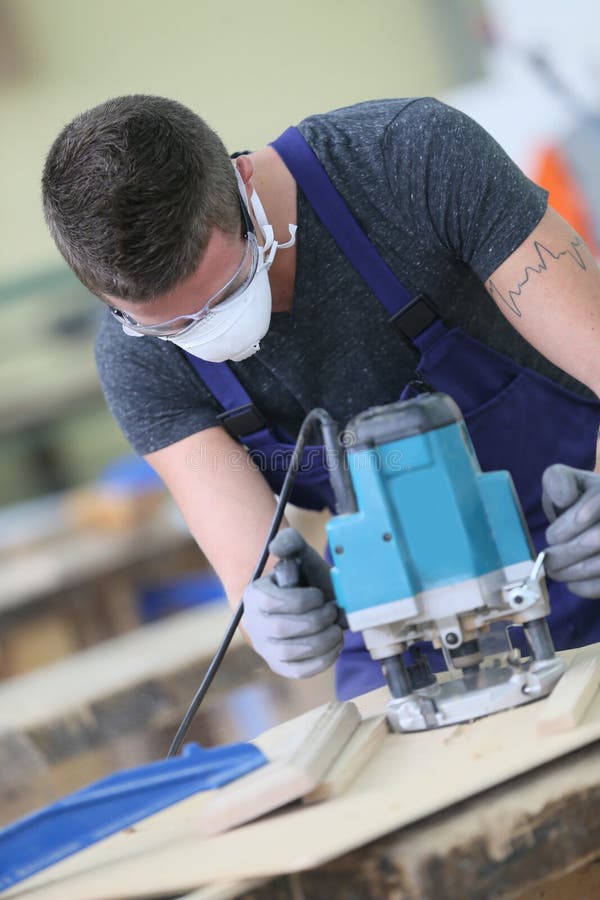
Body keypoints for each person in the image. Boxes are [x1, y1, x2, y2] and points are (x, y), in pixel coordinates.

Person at [42, 95, 600, 700]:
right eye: (170, 327)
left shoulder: (407, 160)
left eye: (224, 292)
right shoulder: (136, 358)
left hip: (578, 534)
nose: (205, 332)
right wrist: (277, 618)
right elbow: (253, 570)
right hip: (396, 615)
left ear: (243, 182)